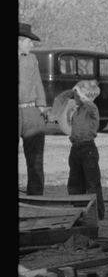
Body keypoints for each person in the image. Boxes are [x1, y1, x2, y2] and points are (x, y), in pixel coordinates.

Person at [67, 79, 106, 220]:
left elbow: (89, 104)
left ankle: (97, 212)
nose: (74, 98)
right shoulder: (77, 111)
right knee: (75, 182)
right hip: (76, 148)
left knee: (92, 183)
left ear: (84, 96)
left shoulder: (91, 108)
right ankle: (79, 210)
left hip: (88, 149)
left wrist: (84, 94)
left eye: (77, 95)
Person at [19, 22, 48, 195]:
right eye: (29, 41)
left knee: (36, 160)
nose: (32, 45)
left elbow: (37, 82)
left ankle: (36, 198)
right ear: (19, 41)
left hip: (32, 113)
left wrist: (42, 107)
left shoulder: (32, 59)